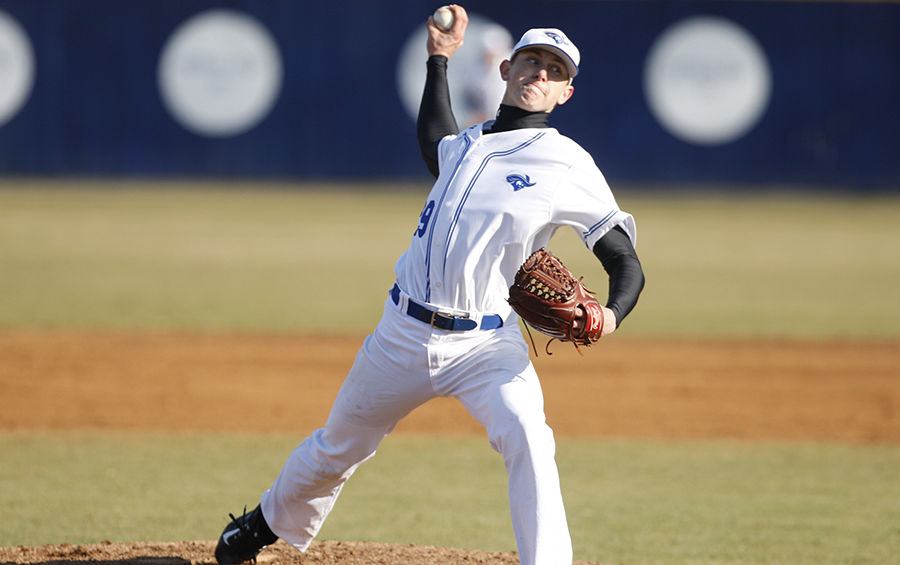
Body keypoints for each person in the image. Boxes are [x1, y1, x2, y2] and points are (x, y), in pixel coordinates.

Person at [214, 5, 644, 565]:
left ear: (566, 93)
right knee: (337, 448)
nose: (541, 73)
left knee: (530, 439)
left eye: (556, 70)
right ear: (507, 67)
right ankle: (263, 523)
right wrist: (439, 60)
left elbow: (624, 260)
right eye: (533, 61)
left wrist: (609, 315)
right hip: (401, 334)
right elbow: (435, 142)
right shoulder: (466, 145)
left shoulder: (567, 163)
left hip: (487, 345)